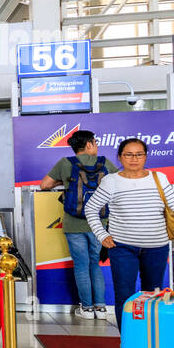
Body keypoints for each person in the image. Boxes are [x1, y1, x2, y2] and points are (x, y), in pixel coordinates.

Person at [84, 138, 174, 329]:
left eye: (139, 154)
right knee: (124, 295)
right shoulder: (111, 181)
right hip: (122, 248)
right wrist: (102, 235)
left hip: (156, 248)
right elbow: (91, 208)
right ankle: (127, 339)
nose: (134, 159)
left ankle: (149, 338)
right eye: (128, 154)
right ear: (120, 157)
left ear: (145, 156)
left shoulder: (159, 178)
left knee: (152, 294)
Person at [38, 130, 117, 320]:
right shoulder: (105, 163)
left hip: (74, 223)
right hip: (99, 223)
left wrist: (64, 181)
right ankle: (101, 307)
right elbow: (119, 183)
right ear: (89, 144)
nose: (96, 146)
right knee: (95, 265)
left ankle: (87, 309)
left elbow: (44, 185)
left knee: (81, 266)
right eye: (95, 142)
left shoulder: (66, 163)